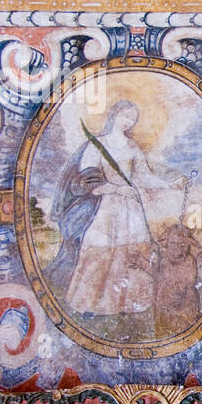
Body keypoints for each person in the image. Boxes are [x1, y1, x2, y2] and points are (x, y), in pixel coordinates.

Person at [45, 100, 186, 334]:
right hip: (106, 208)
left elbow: (144, 177)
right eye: (125, 115)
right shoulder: (97, 145)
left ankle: (132, 304)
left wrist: (172, 184)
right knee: (99, 254)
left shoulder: (132, 148)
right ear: (114, 114)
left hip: (130, 209)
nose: (128, 121)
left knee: (132, 255)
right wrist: (116, 189)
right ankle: (88, 304)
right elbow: (89, 182)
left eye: (132, 118)